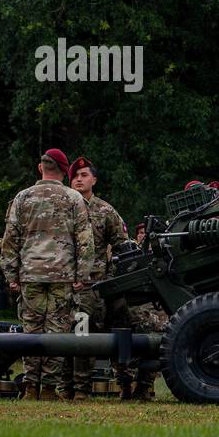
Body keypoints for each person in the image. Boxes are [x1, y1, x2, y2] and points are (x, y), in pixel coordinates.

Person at [0, 148, 94, 401]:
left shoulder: (22, 198)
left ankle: (31, 387)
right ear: (65, 171)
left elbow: (10, 241)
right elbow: (85, 240)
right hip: (63, 276)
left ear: (40, 167)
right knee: (57, 333)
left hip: (29, 274)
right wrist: (81, 274)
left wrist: (11, 275)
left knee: (31, 331)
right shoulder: (74, 198)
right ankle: (50, 388)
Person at [65, 156, 127, 400]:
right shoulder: (63, 208)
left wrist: (110, 278)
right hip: (65, 285)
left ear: (94, 179)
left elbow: (122, 245)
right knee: (66, 339)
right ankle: (66, 388)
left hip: (94, 288)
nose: (79, 179)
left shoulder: (105, 210)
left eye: (84, 175)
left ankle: (85, 388)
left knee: (86, 337)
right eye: (75, 175)